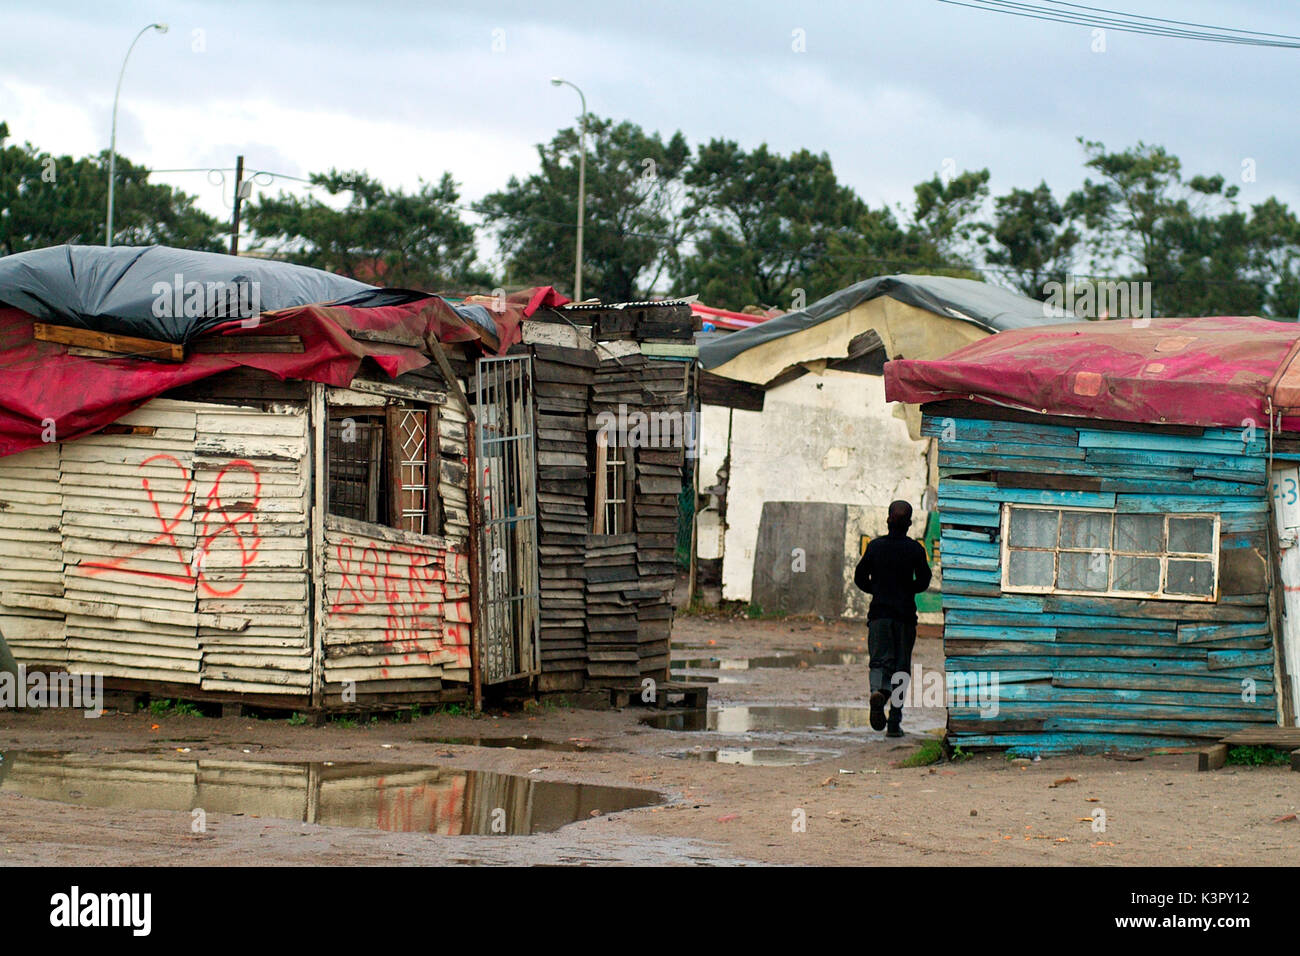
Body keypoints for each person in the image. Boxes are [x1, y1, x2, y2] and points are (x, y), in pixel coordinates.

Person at [853, 500, 932, 737]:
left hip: (879, 615)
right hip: (905, 616)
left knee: (878, 661)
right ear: (909, 524)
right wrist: (908, 589)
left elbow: (859, 577)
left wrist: (876, 589)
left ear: (888, 520)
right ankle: (894, 723)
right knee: (901, 668)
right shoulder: (915, 550)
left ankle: (878, 690)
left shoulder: (875, 547)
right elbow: (924, 581)